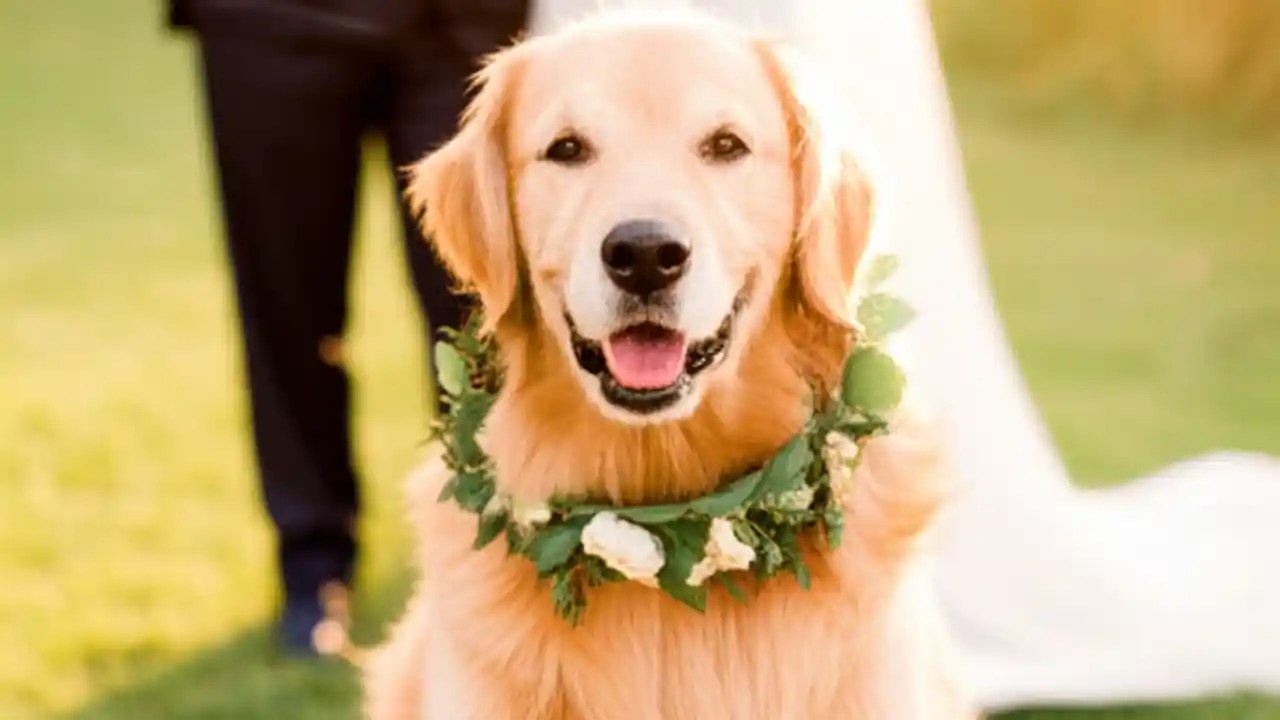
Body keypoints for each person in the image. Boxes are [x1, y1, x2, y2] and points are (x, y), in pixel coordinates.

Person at [169, 0, 529, 656]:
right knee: (288, 306)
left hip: (462, 24)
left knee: (486, 308)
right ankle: (312, 566)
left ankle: (500, 542)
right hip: (269, 24)